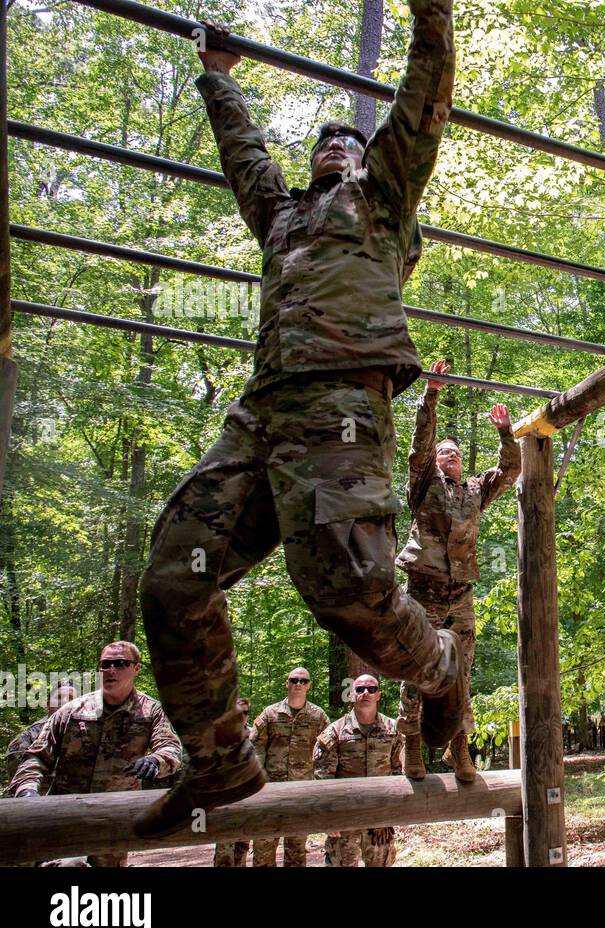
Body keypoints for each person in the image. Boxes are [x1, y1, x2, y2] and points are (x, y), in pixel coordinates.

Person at [134, 0, 465, 838]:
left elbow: (422, 102)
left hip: (343, 406)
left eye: (345, 141)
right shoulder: (281, 219)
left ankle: (442, 666)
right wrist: (216, 80)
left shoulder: (384, 202)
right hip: (261, 414)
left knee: (350, 591)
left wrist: (433, 12)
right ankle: (219, 759)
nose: (333, 145)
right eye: (323, 142)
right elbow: (244, 158)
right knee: (175, 578)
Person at [395, 359, 519, 781]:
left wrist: (505, 433)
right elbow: (419, 447)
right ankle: (412, 744)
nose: (449, 457)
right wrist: (430, 393)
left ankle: (458, 747)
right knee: (418, 666)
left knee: (462, 671)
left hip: (460, 594)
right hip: (424, 589)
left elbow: (510, 470)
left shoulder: (474, 491)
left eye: (455, 453)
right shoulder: (424, 483)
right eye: (444, 452)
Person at [7, 642, 183, 866]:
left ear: (136, 668)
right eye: (105, 664)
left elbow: (170, 748)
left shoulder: (151, 711)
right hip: (65, 815)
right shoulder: (72, 710)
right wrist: (26, 791)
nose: (111, 670)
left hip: (114, 818)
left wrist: (157, 761)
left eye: (120, 664)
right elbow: (36, 756)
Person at [312, 675, 403, 867]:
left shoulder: (393, 730)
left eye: (371, 689)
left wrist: (393, 813)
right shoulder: (335, 732)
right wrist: (328, 817)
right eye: (360, 689)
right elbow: (322, 781)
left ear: (378, 695)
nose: (365, 693)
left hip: (379, 819)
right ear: (352, 695)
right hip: (344, 819)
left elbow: (397, 773)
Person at [244, 671, 329, 866]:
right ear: (287, 683)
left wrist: (320, 786)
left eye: (303, 681)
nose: (298, 683)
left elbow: (326, 754)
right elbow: (255, 749)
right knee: (263, 849)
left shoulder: (318, 717)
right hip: (270, 793)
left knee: (296, 850)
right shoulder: (270, 714)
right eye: (294, 680)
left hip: (301, 793)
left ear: (309, 685)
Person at [5, 679, 79, 790]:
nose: (64, 703)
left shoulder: (85, 734)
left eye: (70, 698)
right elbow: (19, 782)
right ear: (48, 704)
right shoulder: (26, 739)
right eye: (58, 698)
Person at [213, 696, 253, 867]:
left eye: (245, 712)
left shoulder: (255, 735)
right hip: (225, 800)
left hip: (248, 799)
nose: (241, 716)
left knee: (242, 848)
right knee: (224, 850)